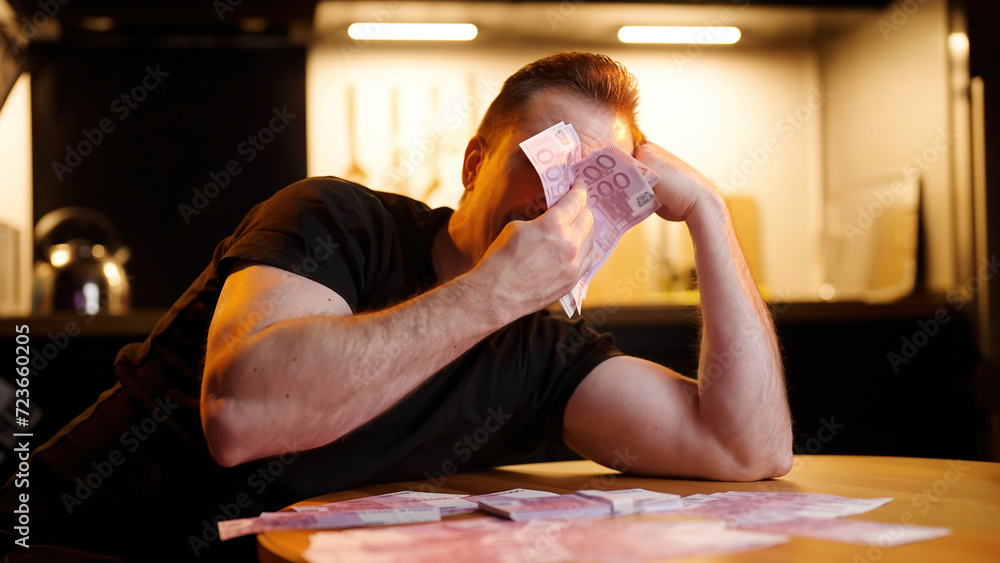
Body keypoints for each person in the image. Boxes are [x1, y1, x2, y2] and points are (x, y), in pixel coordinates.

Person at [0, 52, 792, 562]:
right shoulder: (333, 218)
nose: (562, 199)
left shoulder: (545, 351)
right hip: (61, 541)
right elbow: (242, 414)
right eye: (547, 162)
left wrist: (710, 216)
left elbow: (746, 448)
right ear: (475, 163)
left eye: (593, 183)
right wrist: (496, 290)